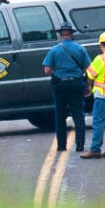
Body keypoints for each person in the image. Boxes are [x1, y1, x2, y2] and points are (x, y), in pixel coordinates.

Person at [42, 22, 92, 152]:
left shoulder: (54, 50)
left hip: (60, 85)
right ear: (71, 34)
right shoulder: (80, 49)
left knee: (60, 115)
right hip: (76, 84)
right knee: (78, 115)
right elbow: (88, 69)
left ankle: (61, 145)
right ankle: (80, 145)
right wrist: (88, 85)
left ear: (61, 35)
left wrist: (57, 75)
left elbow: (47, 70)